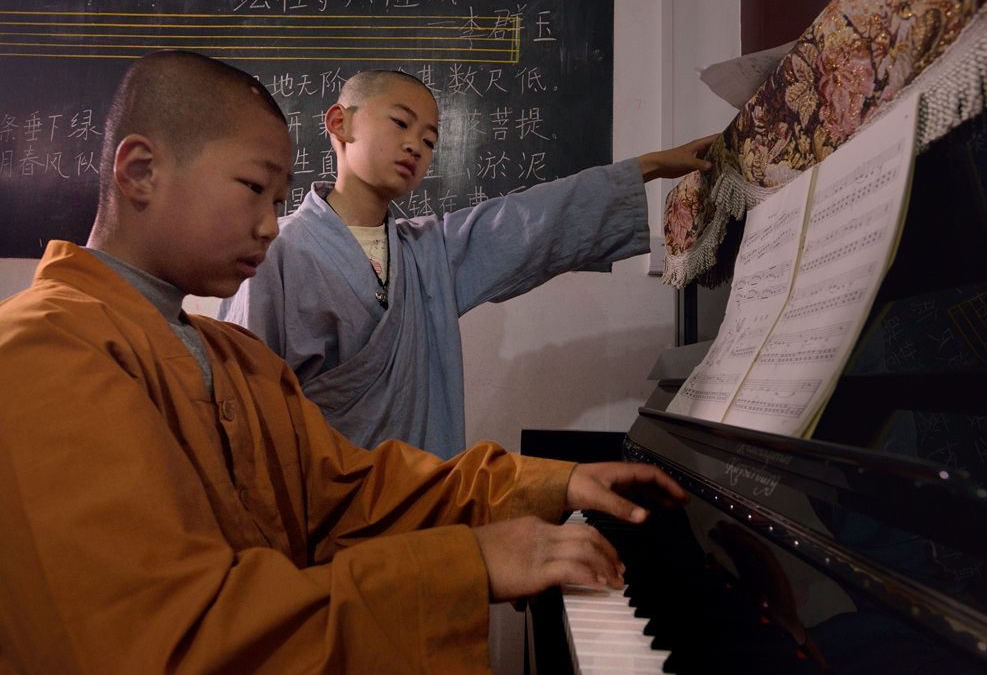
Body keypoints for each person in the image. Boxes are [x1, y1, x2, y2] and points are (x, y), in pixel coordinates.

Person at [0, 50, 688, 674]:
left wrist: (545, 484)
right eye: (252, 189)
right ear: (141, 171)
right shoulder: (43, 348)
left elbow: (351, 486)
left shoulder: (231, 355)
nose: (272, 224)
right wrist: (460, 563)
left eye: (278, 200)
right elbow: (143, 643)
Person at [218, 68, 716, 457]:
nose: (416, 144)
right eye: (400, 122)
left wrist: (650, 167)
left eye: (431, 140)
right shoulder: (275, 253)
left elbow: (530, 221)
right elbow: (242, 406)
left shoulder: (430, 253)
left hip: (421, 510)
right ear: (339, 123)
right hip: (318, 521)